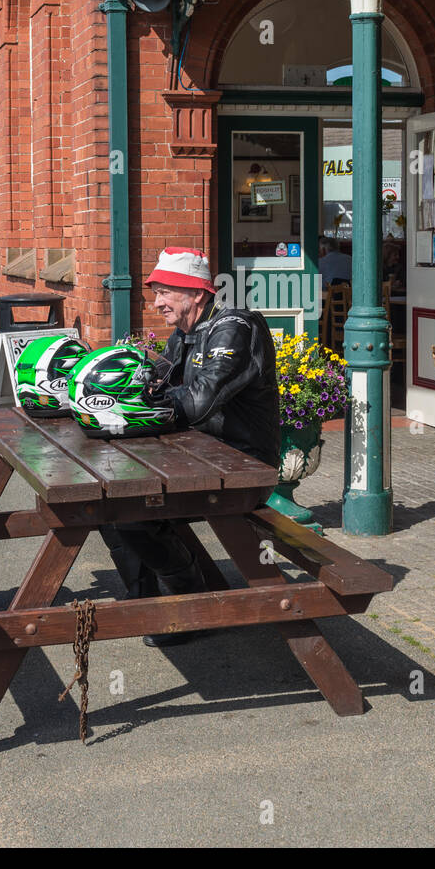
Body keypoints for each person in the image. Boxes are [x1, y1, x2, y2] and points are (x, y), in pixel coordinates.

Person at [100, 246, 280, 647]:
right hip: (199, 457)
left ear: (197, 294)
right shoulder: (186, 334)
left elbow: (198, 402)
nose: (157, 303)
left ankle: (188, 603)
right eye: (156, 293)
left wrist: (138, 404)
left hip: (243, 467)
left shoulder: (234, 328)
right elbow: (160, 385)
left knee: (128, 511)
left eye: (165, 292)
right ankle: (147, 602)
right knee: (106, 500)